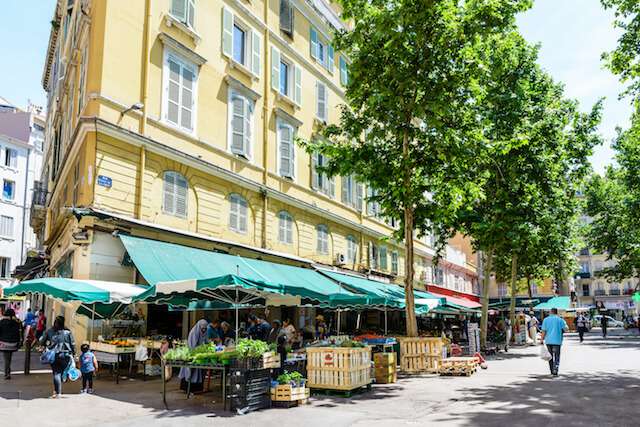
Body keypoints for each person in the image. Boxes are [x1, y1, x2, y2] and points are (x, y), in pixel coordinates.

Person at [40, 316, 76, 397]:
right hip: (65, 354)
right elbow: (72, 344)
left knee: (56, 373)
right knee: (64, 369)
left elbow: (42, 342)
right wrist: (74, 353)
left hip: (54, 355)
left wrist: (47, 346)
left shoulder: (49, 331)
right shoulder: (67, 332)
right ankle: (64, 377)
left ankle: (57, 392)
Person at [179, 319, 209, 393]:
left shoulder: (204, 333)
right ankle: (188, 389)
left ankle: (197, 389)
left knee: (198, 373)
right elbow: (192, 346)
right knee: (190, 372)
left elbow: (205, 342)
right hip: (191, 355)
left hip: (199, 356)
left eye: (205, 329)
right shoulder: (194, 333)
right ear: (199, 327)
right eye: (202, 329)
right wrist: (198, 351)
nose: (204, 330)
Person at [541, 308, 568, 376]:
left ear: (551, 312)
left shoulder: (546, 319)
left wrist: (541, 339)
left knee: (550, 356)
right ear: (556, 312)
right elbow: (566, 329)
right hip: (557, 341)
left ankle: (551, 370)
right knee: (557, 356)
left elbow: (544, 331)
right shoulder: (560, 320)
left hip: (548, 341)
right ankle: (555, 369)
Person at [0, 309, 22, 380]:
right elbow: (18, 334)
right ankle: (8, 371)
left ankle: (7, 373)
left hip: (4, 344)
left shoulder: (1, 322)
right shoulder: (16, 323)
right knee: (8, 358)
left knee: (7, 359)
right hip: (13, 344)